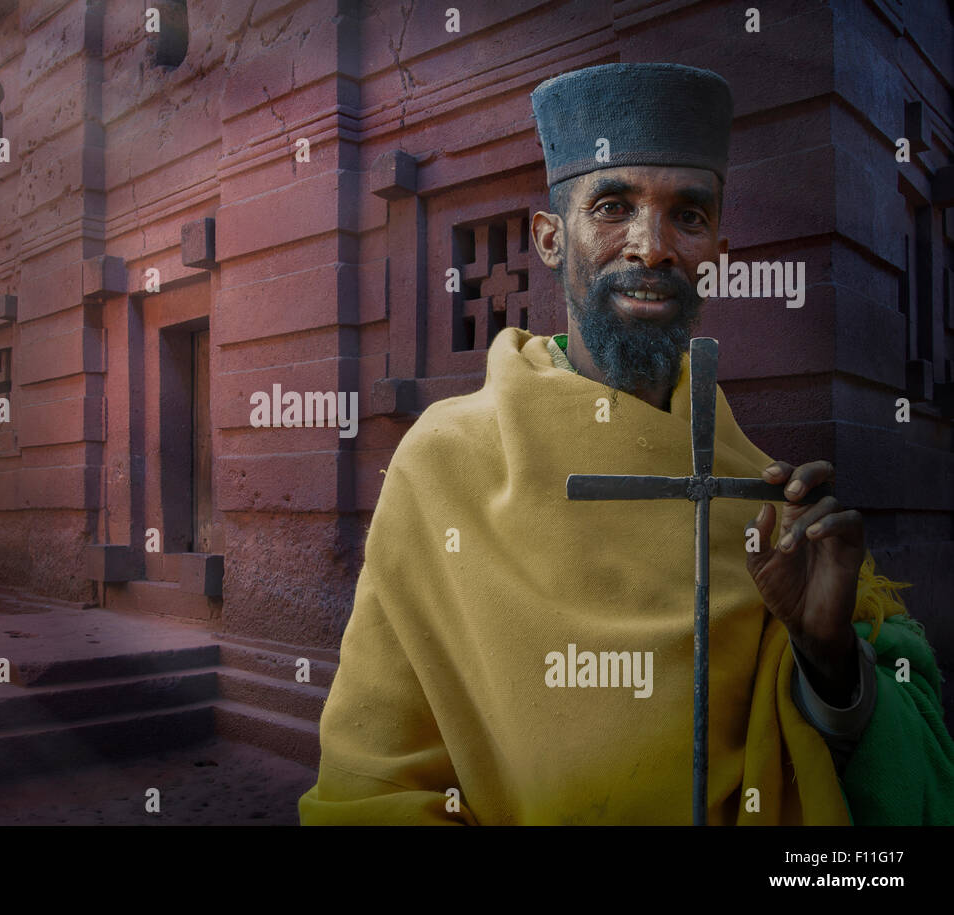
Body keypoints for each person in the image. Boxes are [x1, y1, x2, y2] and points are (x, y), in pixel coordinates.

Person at [298, 63, 954, 825]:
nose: (651, 247)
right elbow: (369, 785)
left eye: (689, 215)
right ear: (548, 238)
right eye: (612, 206)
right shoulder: (444, 466)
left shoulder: (762, 494)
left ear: (718, 250)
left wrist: (830, 655)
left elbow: (868, 769)